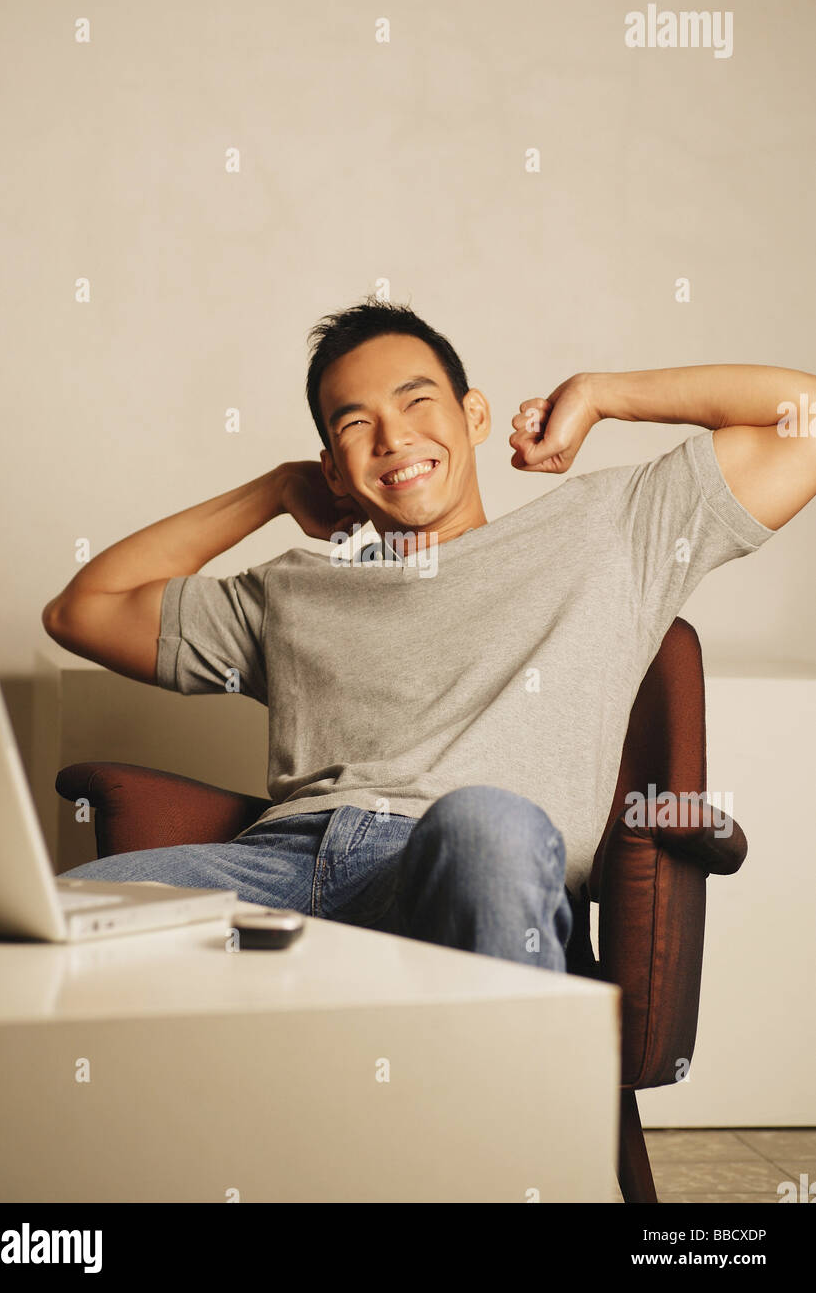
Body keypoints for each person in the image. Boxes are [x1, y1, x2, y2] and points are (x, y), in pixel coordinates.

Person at [42, 299, 816, 972]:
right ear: (334, 470)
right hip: (274, 870)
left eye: (417, 403)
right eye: (356, 424)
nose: (392, 437)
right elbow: (82, 610)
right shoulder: (291, 592)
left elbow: (806, 419)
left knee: (489, 822)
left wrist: (602, 394)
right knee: (54, 914)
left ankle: (518, 1135)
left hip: (461, 863)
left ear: (473, 416)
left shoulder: (606, 532)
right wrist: (272, 492)